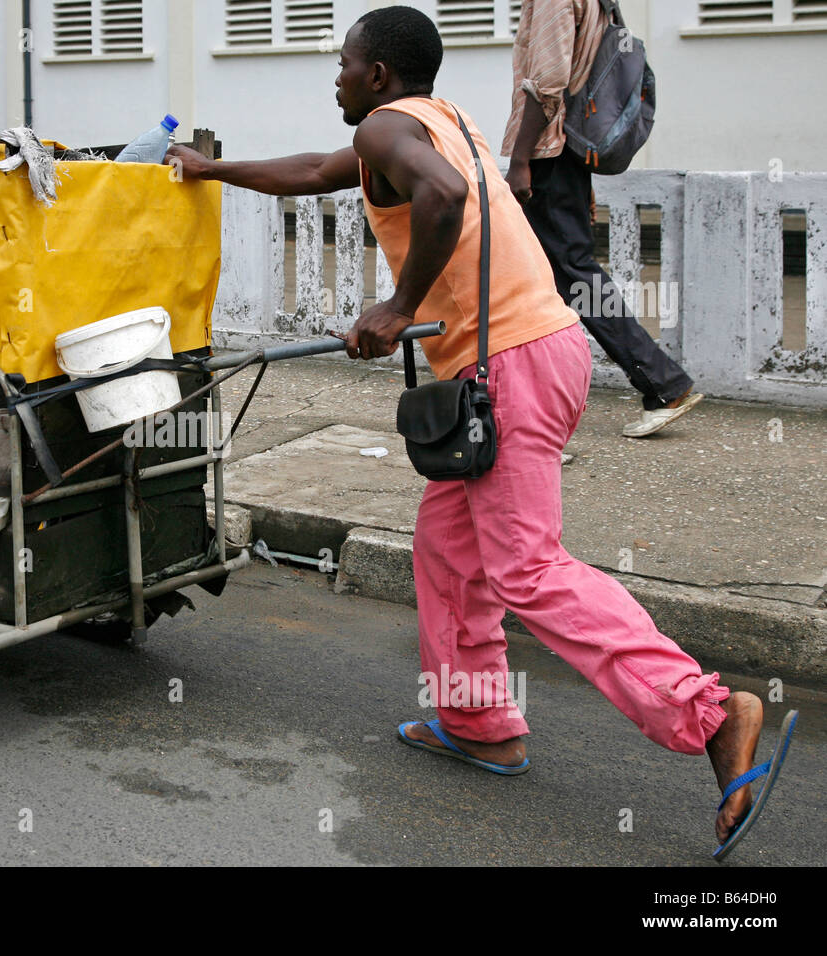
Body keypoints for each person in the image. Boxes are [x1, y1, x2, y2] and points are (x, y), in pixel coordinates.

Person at [166, 4, 775, 854]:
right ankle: (478, 720)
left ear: (377, 75)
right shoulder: (436, 118)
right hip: (536, 351)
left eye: (343, 63)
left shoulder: (386, 129)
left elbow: (443, 196)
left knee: (527, 567)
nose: (335, 76)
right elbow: (312, 169)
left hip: (511, 365)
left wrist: (397, 306)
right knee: (449, 551)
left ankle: (709, 714)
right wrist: (211, 168)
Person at [503, 0, 701, 438]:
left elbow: (549, 83)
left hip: (547, 155)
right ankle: (538, 387)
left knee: (573, 275)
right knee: (550, 277)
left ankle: (662, 382)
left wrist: (520, 160)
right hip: (565, 155)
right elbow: (583, 77)